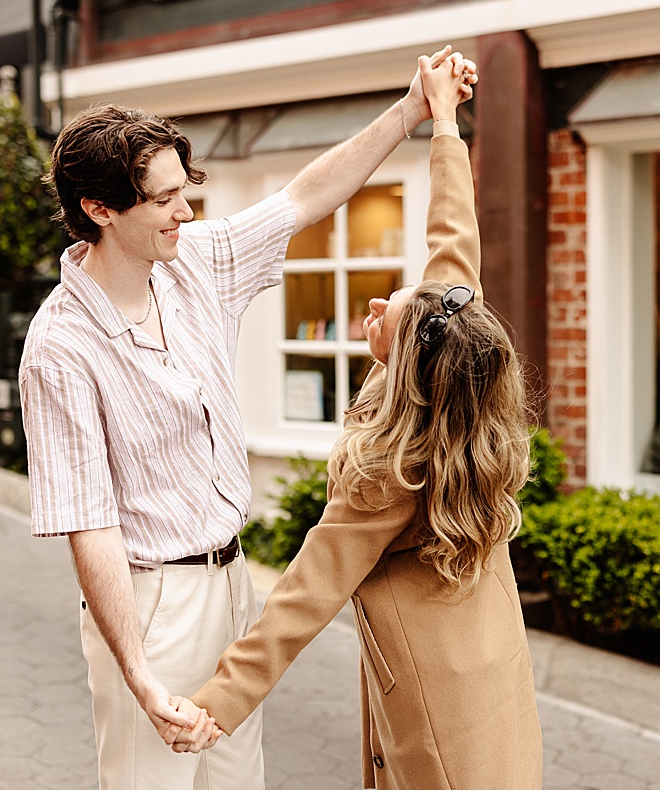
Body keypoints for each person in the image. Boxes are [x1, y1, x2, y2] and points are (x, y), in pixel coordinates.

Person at [18, 46, 477, 790]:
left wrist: (411, 112)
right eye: (163, 199)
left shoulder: (195, 259)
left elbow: (305, 195)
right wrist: (135, 671)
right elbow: (90, 523)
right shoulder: (59, 348)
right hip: (153, 603)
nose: (185, 210)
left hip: (235, 583)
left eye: (184, 188)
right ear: (100, 210)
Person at [184, 55, 543, 789]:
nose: (378, 306)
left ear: (410, 364)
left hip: (434, 688)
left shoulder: (391, 472)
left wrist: (217, 703)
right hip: (489, 649)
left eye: (393, 313)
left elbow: (308, 588)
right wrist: (443, 120)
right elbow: (453, 236)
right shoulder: (453, 373)